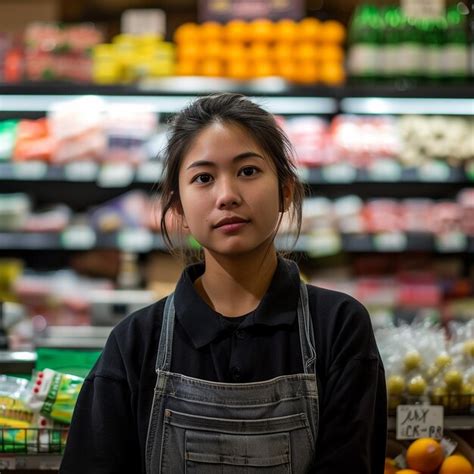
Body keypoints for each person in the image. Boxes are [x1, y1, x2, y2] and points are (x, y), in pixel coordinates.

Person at [60, 93, 387, 474]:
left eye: (248, 171)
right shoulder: (135, 343)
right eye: (203, 178)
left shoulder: (339, 328)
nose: (227, 195)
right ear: (178, 207)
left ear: (285, 191)